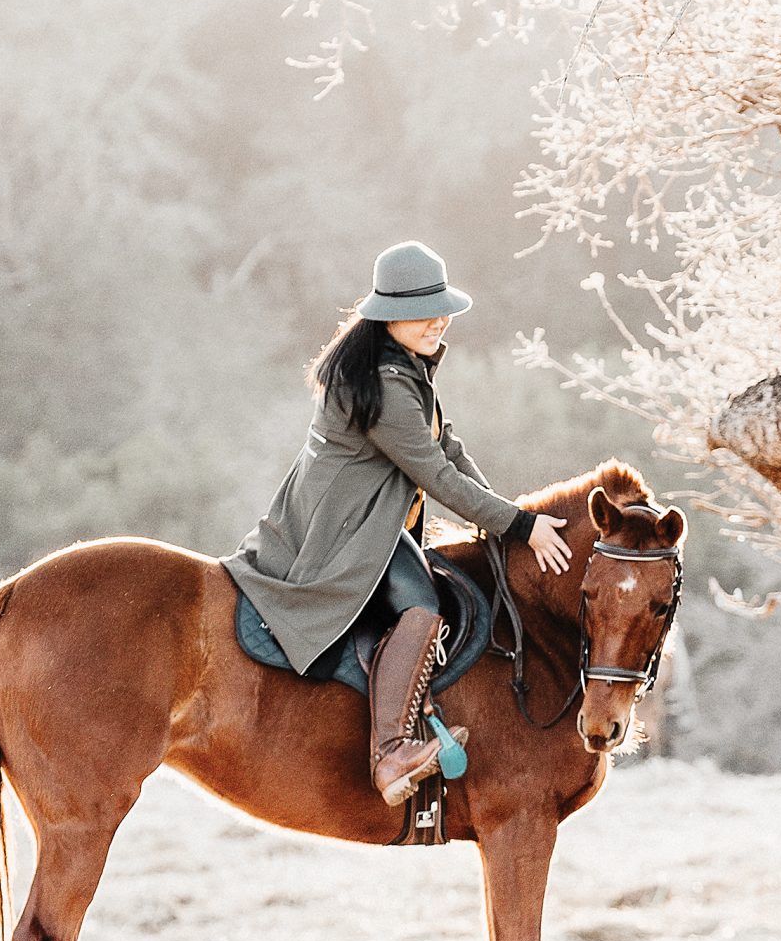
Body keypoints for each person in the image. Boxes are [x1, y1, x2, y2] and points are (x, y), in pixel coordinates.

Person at [225, 242, 573, 805]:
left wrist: (504, 519)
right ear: (389, 316)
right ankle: (390, 754)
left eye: (444, 309)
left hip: (368, 521)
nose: (439, 321)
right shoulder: (385, 384)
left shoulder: (405, 370)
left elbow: (451, 449)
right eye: (425, 310)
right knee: (422, 608)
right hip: (344, 531)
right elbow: (436, 474)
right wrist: (519, 528)